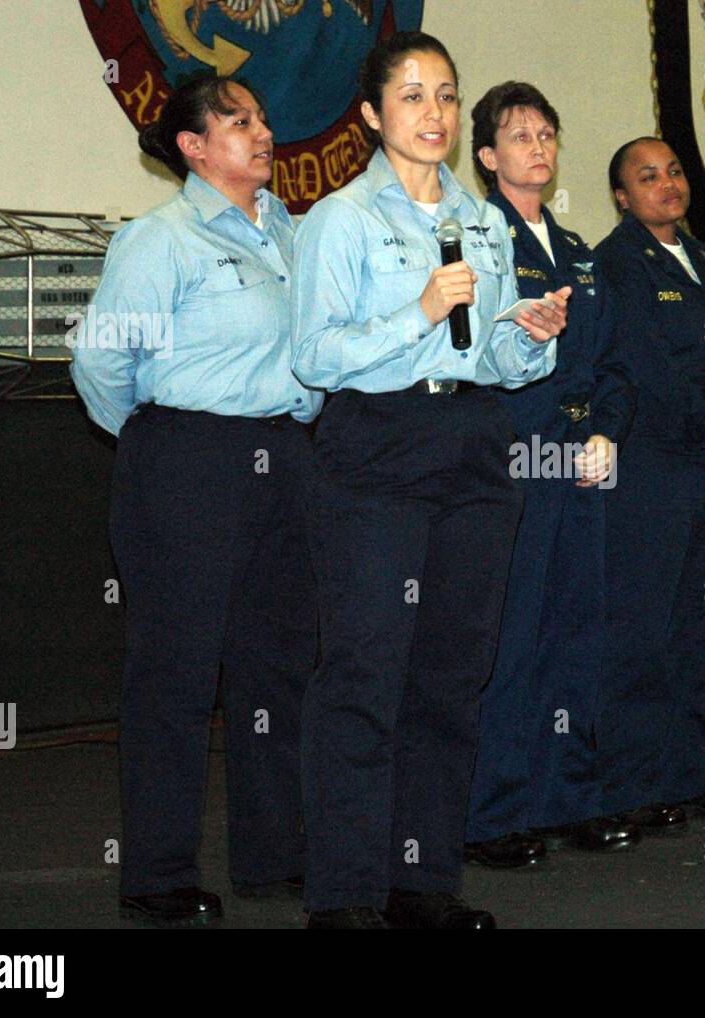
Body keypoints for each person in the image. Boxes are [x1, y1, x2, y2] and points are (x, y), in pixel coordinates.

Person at [291, 32, 571, 929]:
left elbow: (491, 355)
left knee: (453, 678)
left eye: (447, 95)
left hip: (475, 443)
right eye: (412, 97)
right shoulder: (340, 219)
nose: (435, 114)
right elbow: (314, 355)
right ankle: (344, 897)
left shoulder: (482, 220)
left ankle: (422, 883)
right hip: (378, 446)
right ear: (372, 116)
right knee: (366, 678)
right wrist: (417, 312)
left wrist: (529, 332)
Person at [71, 76, 321, 925]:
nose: (263, 131)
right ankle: (158, 875)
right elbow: (100, 365)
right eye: (239, 120)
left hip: (287, 459)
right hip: (189, 460)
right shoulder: (160, 239)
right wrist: (157, 438)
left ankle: (272, 856)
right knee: (176, 676)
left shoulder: (290, 230)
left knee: (275, 671)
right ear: (193, 145)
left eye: (262, 117)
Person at [462, 82, 640, 869]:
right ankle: (495, 812)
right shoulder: (478, 240)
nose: (537, 145)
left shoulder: (578, 253)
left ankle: (570, 796)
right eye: (519, 134)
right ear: (487, 156)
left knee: (579, 629)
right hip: (516, 458)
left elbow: (609, 364)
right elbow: (479, 366)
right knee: (514, 635)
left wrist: (606, 429)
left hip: (582, 460)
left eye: (547, 132)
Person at [593, 137, 705, 833]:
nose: (667, 184)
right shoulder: (616, 262)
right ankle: (636, 783)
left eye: (673, 171)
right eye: (647, 176)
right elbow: (643, 363)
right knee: (645, 626)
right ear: (622, 197)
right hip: (654, 462)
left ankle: (699, 774)